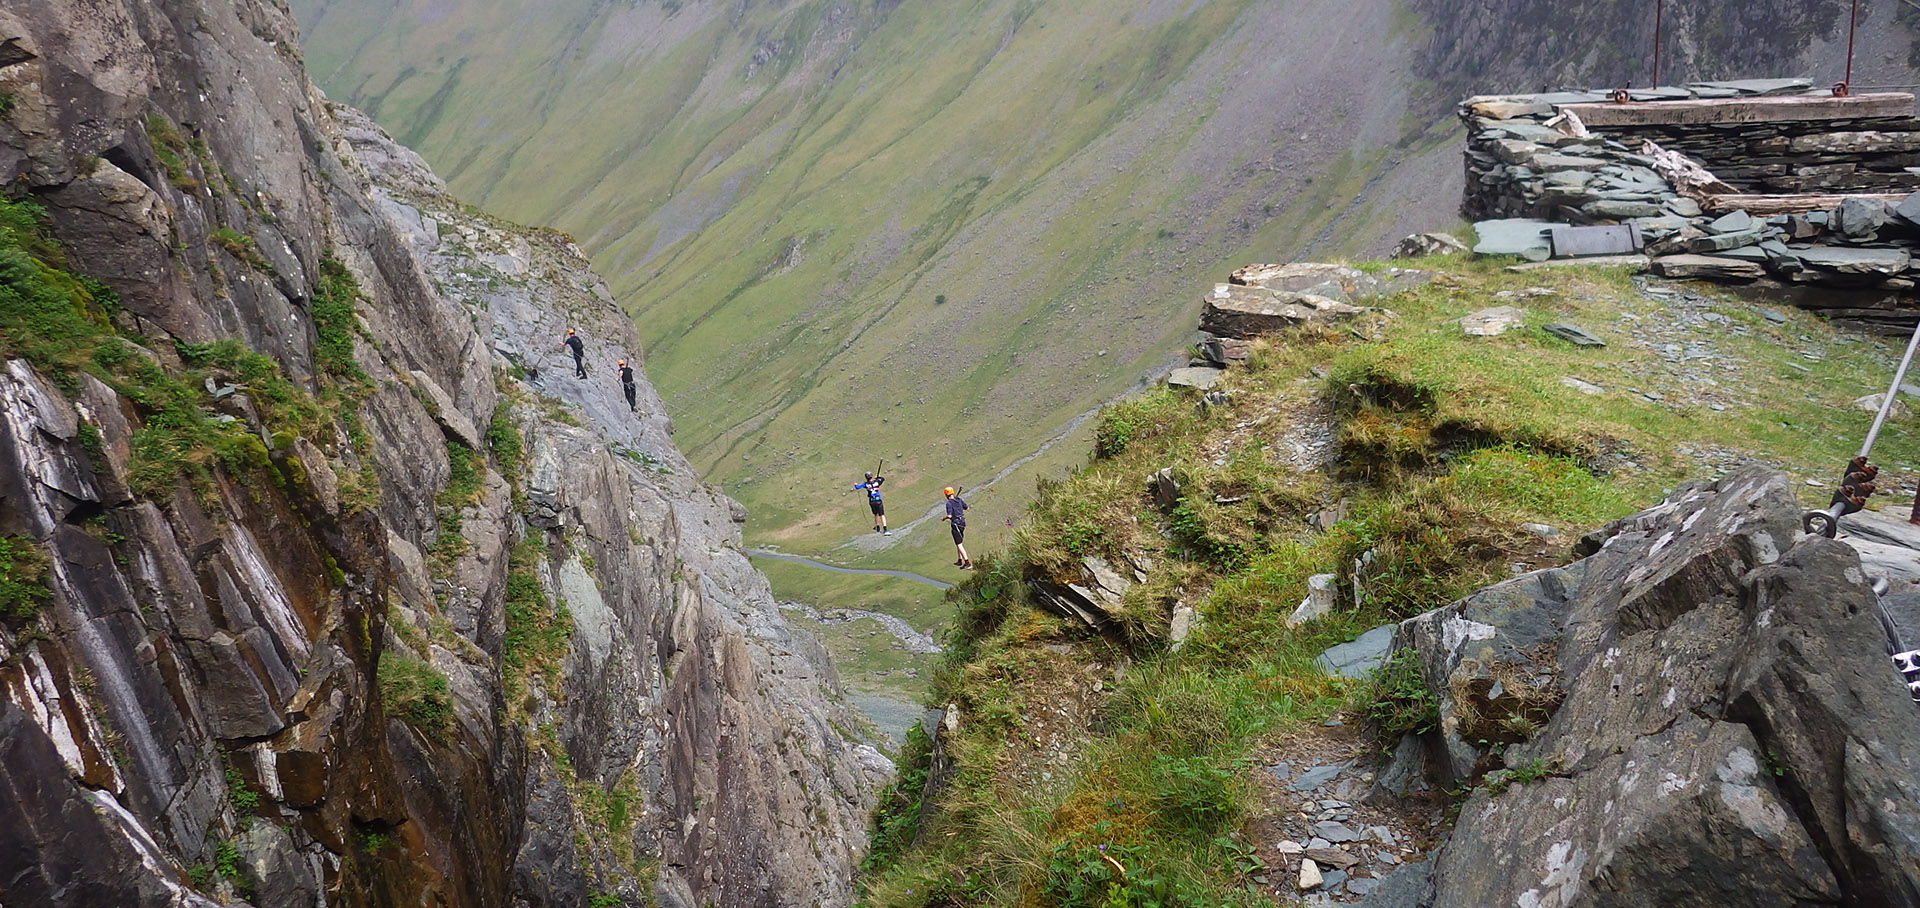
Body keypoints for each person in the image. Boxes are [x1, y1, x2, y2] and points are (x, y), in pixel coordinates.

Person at [941, 486, 970, 568]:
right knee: (958, 543)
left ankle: (967, 563)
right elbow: (967, 508)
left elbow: (949, 515)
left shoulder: (949, 503)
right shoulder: (959, 500)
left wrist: (943, 518)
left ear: (946, 495)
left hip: (956, 524)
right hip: (962, 523)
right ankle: (960, 560)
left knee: (959, 544)